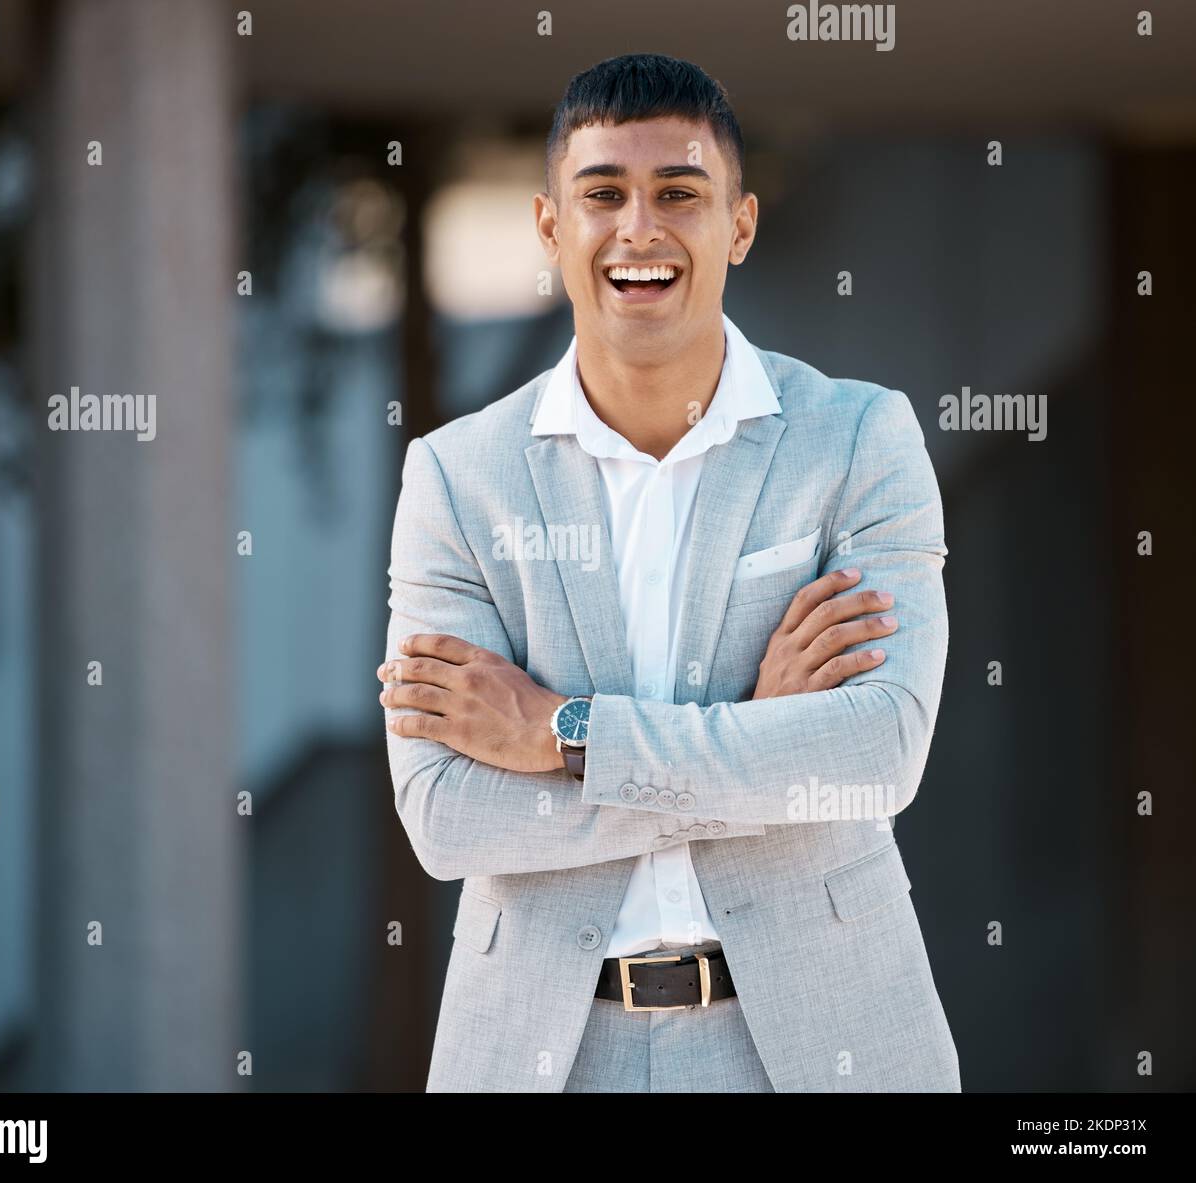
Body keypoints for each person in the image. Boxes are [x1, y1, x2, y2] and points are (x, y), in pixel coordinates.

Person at [377, 52, 960, 1093]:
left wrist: (562, 732)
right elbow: (445, 814)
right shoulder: (457, 479)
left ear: (737, 224)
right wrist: (760, 738)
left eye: (679, 194)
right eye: (602, 194)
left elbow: (877, 750)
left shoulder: (858, 439)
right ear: (551, 226)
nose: (638, 228)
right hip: (542, 1053)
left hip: (824, 1045)